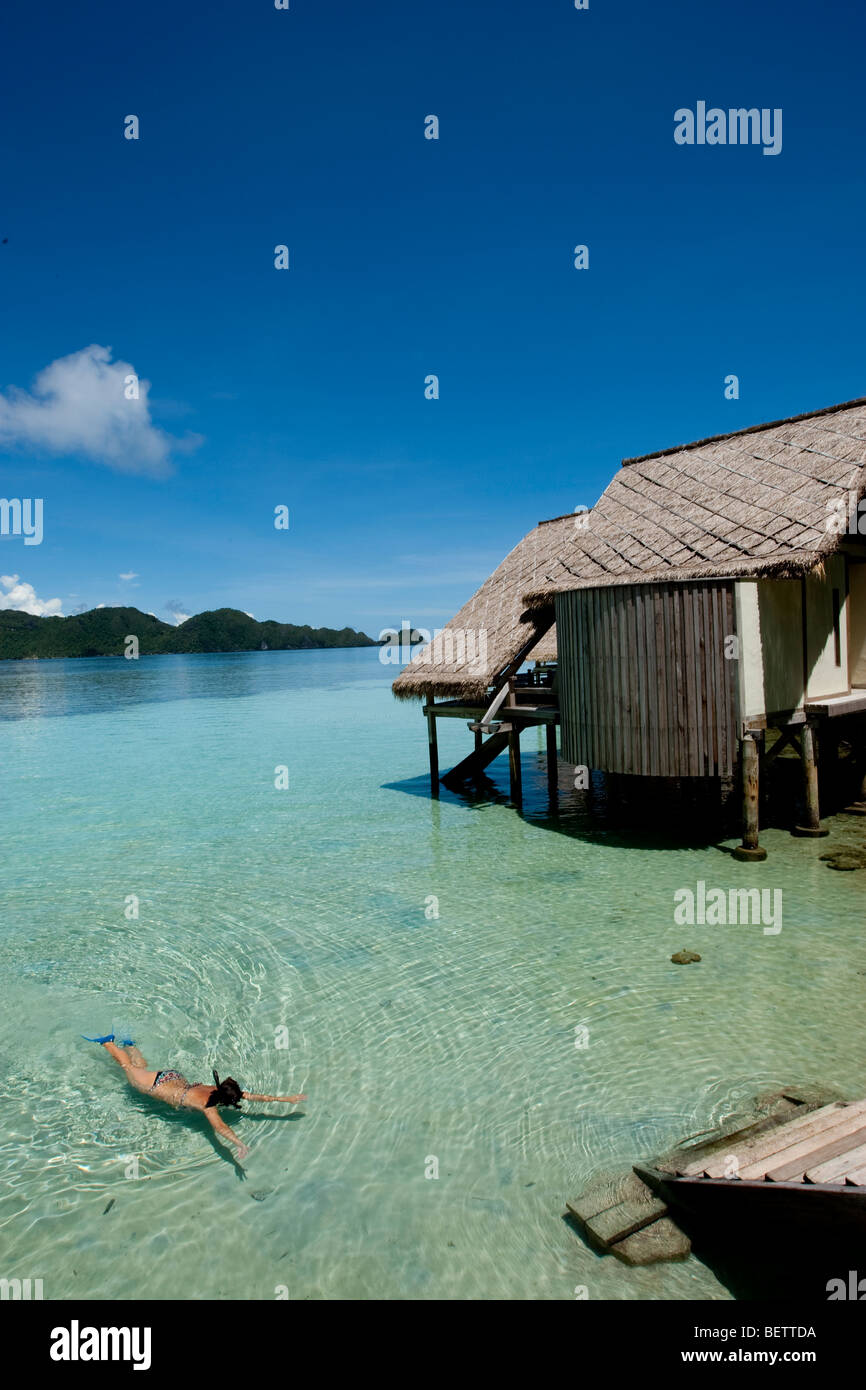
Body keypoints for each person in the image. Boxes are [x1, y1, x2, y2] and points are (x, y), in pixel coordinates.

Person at [82, 1033, 306, 1163]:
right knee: (128, 1068)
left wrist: (286, 1099)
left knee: (141, 1068)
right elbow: (220, 1129)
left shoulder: (217, 1089)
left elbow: (255, 1097)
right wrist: (239, 1144)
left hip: (173, 1077)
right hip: (161, 1087)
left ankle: (130, 1044)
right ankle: (107, 1042)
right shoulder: (208, 1106)